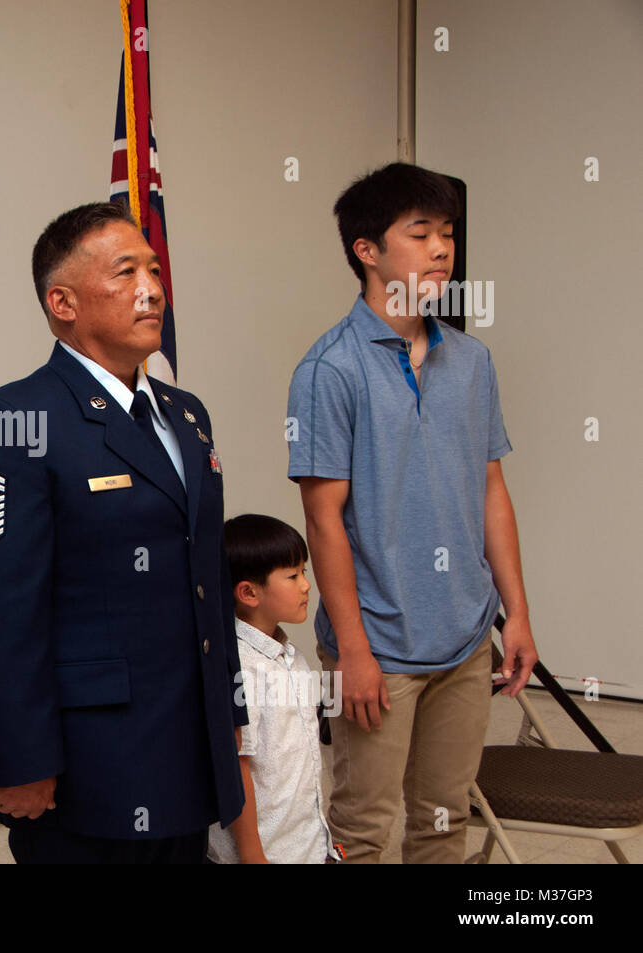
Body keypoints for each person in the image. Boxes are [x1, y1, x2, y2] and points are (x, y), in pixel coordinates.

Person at [0, 201, 245, 864]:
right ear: (63, 302)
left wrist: (231, 711)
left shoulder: (185, 413)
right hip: (90, 765)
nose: (152, 289)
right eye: (125, 272)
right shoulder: (13, 420)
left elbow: (207, 581)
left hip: (189, 748)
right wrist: (19, 754)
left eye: (155, 269)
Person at [286, 162, 537, 863]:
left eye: (447, 234)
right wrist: (356, 651)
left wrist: (515, 612)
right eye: (419, 232)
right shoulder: (328, 372)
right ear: (366, 250)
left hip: (463, 636)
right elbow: (324, 520)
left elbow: (492, 490)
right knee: (364, 827)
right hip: (379, 646)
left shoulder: (473, 360)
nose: (440, 249)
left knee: (442, 821)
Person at [206, 514, 336, 864]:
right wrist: (253, 856)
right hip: (266, 854)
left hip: (305, 845)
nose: (306, 585)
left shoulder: (290, 655)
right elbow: (237, 768)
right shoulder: (242, 669)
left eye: (304, 572)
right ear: (248, 592)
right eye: (293, 576)